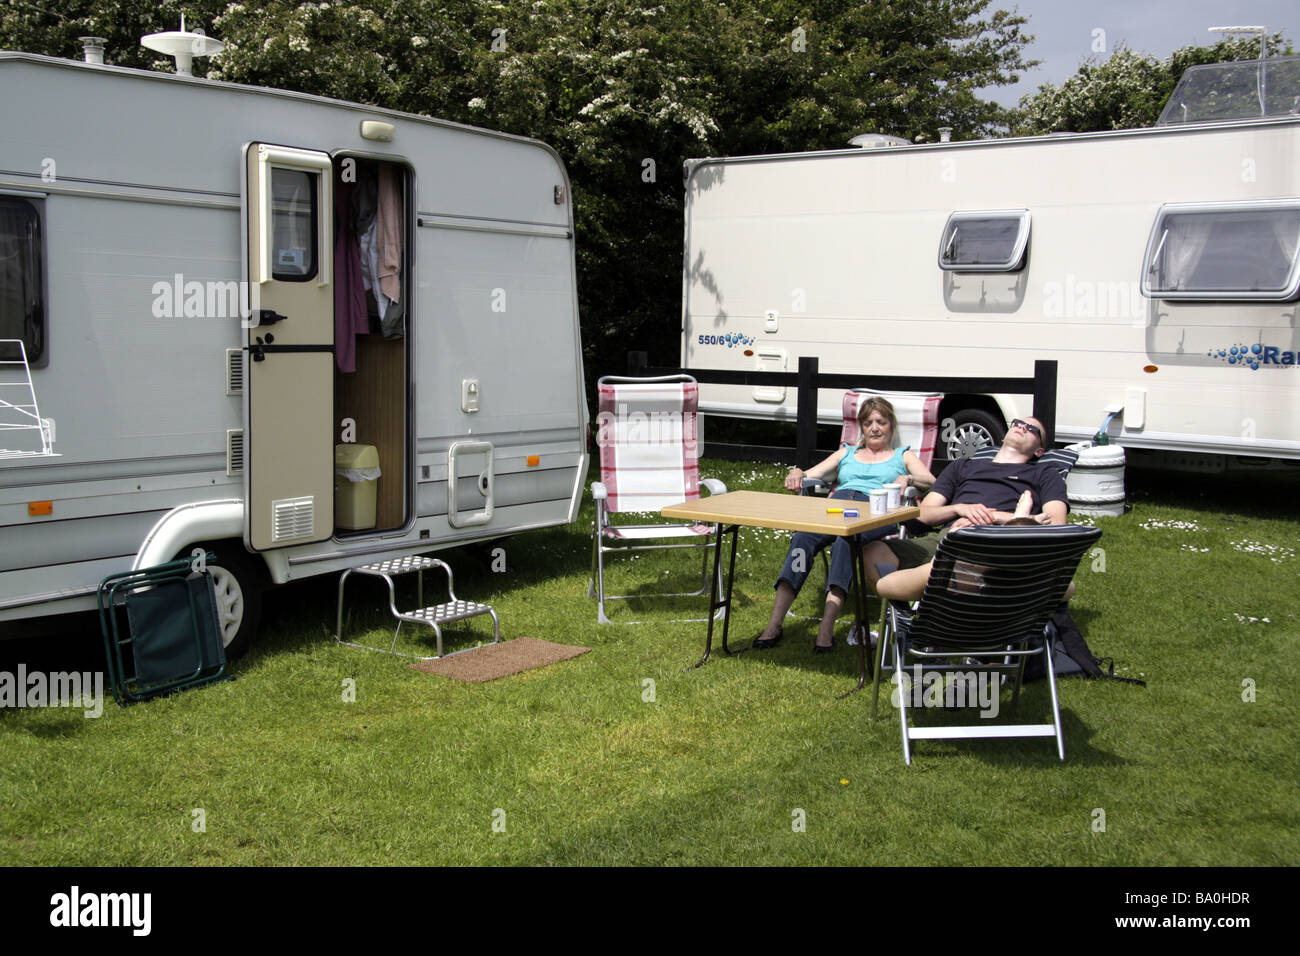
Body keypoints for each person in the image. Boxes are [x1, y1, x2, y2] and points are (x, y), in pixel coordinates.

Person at [753, 397, 935, 653]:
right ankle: (775, 623)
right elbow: (809, 474)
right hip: (836, 508)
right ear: (861, 426)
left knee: (845, 543)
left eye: (881, 422)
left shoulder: (901, 455)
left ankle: (826, 627)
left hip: (875, 511)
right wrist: (797, 472)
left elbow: (930, 480)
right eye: (869, 422)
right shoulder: (847, 452)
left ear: (890, 425)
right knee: (802, 539)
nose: (875, 427)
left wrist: (909, 477)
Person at [869, 415, 1069, 603]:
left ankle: (936, 582)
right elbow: (922, 515)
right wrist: (959, 509)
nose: (1022, 427)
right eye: (1017, 423)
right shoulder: (963, 467)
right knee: (873, 552)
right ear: (1004, 435)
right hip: (948, 536)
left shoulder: (1044, 473)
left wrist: (996, 517)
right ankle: (912, 607)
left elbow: (1056, 524)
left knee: (964, 556)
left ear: (1039, 451)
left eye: (1032, 429)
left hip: (998, 541)